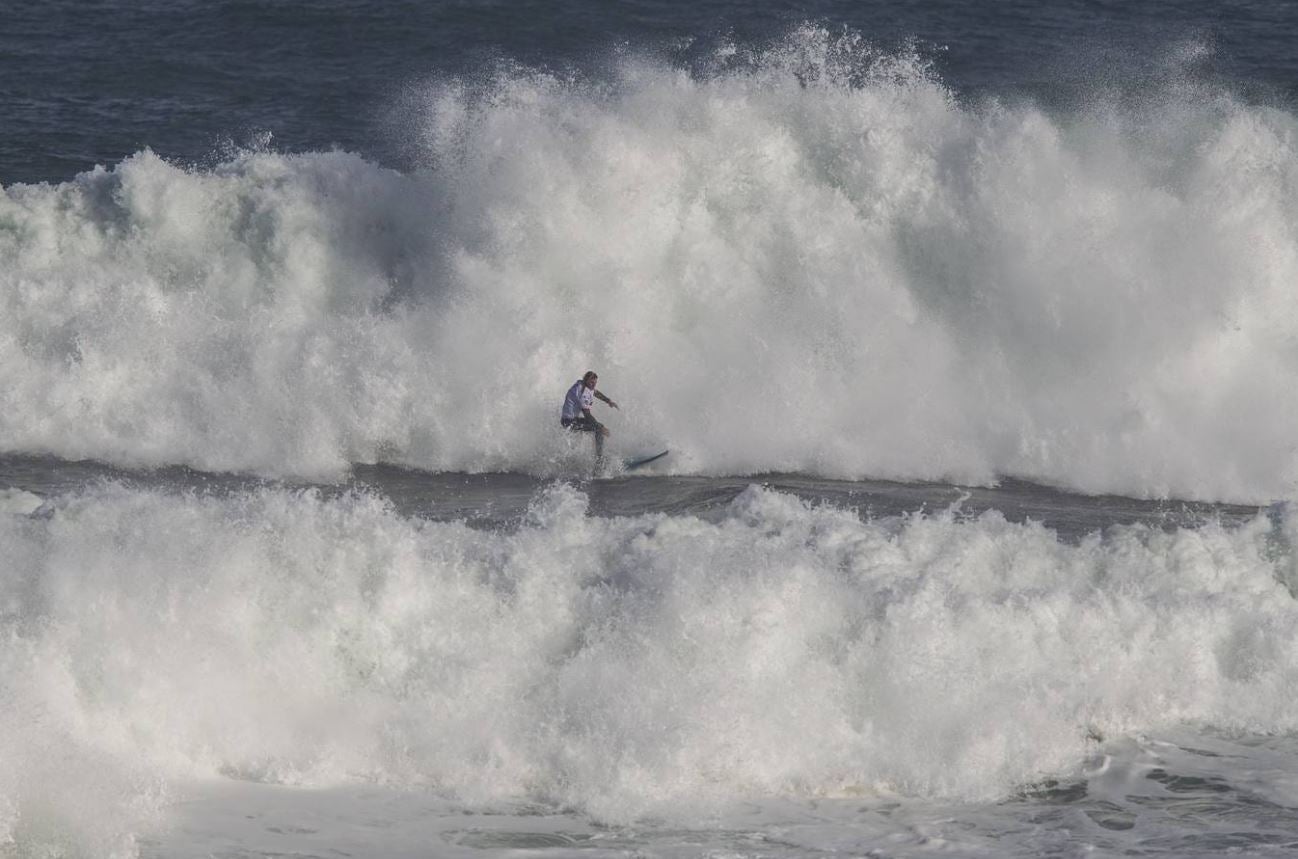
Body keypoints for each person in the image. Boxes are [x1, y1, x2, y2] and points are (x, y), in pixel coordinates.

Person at [560, 370, 619, 464]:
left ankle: (597, 456)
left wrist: (608, 401)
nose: (593, 385)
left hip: (571, 420)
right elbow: (587, 415)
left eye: (595, 383)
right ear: (586, 380)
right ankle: (599, 461)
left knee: (599, 427)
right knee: (599, 428)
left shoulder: (583, 384)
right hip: (569, 423)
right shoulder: (582, 392)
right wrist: (601, 428)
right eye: (591, 382)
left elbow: (595, 392)